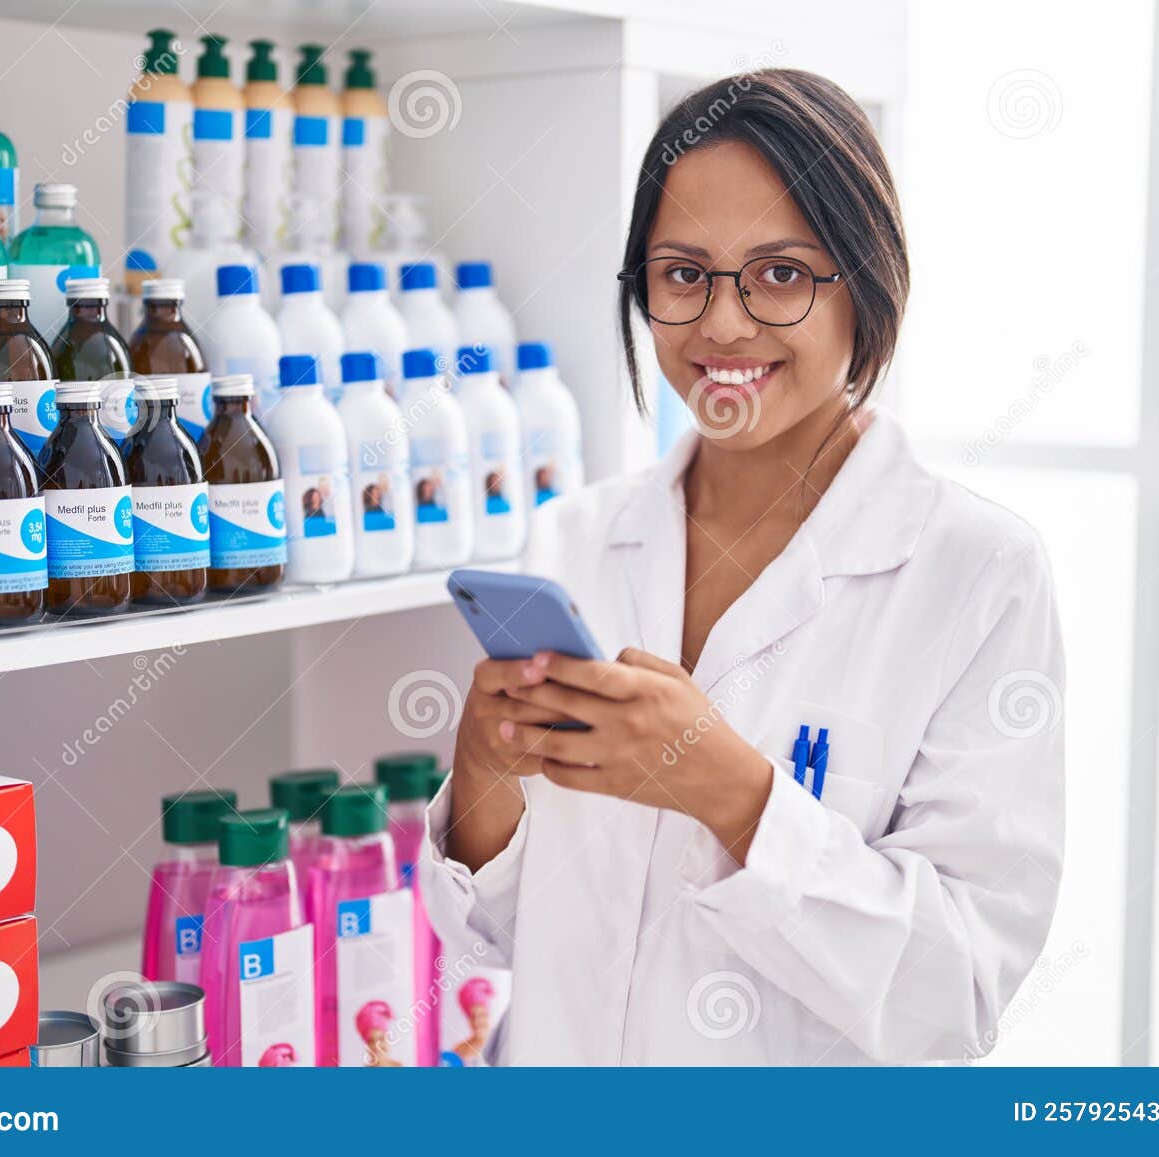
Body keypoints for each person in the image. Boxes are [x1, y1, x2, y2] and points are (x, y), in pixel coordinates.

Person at [420, 69, 1066, 1066]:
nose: (722, 325)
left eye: (779, 273)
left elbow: (955, 995)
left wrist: (732, 791)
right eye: (683, 273)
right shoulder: (574, 539)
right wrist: (481, 780)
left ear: (867, 279)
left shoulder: (976, 572)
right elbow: (500, 935)